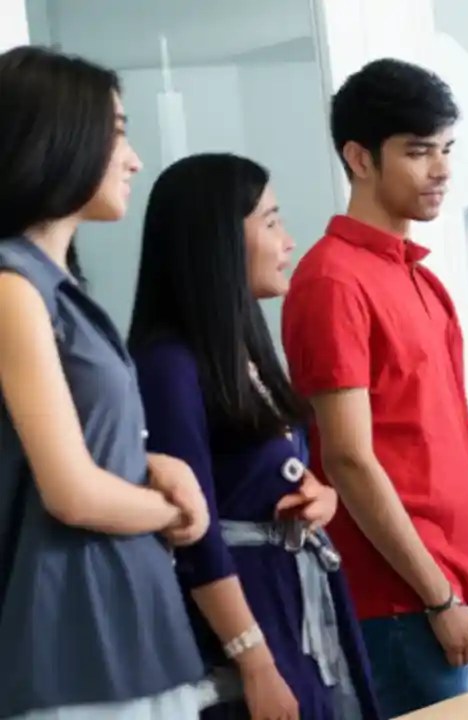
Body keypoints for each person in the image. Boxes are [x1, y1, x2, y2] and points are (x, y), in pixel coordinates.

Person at [280, 58, 468, 715]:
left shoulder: (423, 280)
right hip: (403, 602)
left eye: (447, 149)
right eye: (419, 152)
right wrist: (439, 596)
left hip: (466, 588)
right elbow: (347, 457)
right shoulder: (332, 281)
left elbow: (444, 445)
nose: (442, 169)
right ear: (360, 158)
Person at [129, 153, 381, 719]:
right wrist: (254, 662)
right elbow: (194, 532)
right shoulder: (167, 365)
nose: (288, 240)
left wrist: (323, 497)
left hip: (294, 599)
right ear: (216, 243)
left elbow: (264, 470)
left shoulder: (244, 347)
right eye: (270, 222)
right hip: (248, 618)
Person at [0, 46, 210, 718]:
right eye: (118, 132)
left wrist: (155, 462)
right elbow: (72, 492)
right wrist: (177, 512)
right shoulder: (12, 287)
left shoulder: (52, 287)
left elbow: (64, 441)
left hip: (122, 624)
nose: (134, 159)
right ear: (59, 136)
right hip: (74, 641)